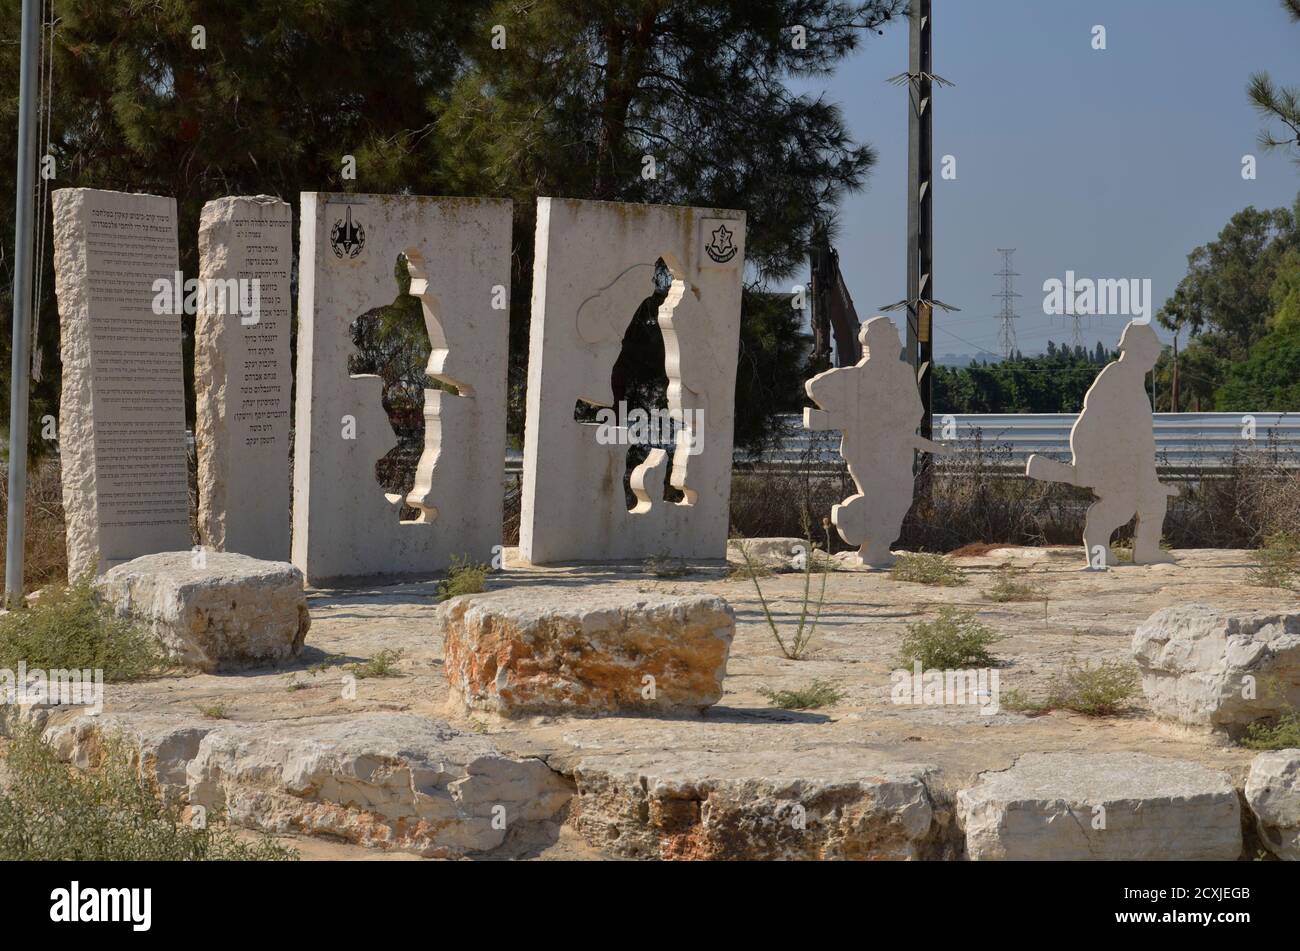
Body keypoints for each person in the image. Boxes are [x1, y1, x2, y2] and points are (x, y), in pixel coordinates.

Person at [1025, 320, 1176, 568]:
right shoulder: (1118, 377)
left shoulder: (1130, 379)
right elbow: (1090, 421)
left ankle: (1141, 552)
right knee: (1128, 505)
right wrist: (1086, 461)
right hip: (1117, 459)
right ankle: (1110, 553)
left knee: (1146, 501)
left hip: (1129, 459)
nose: (1155, 357)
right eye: (1151, 350)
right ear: (1139, 349)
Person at [805, 316, 944, 567]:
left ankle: (878, 544)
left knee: (902, 495)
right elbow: (816, 385)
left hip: (897, 446)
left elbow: (916, 410)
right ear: (878, 342)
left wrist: (895, 424)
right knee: (876, 493)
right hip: (864, 448)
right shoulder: (859, 374)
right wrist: (851, 415)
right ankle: (868, 540)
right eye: (891, 337)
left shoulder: (903, 372)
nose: (897, 342)